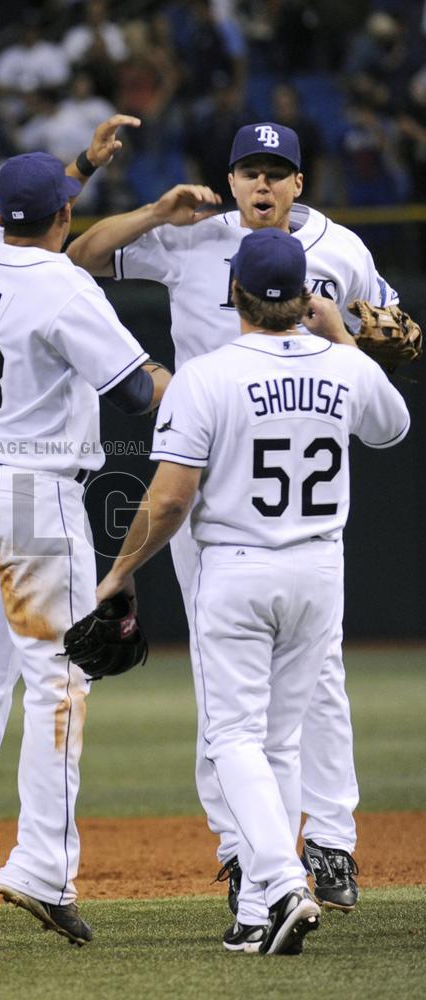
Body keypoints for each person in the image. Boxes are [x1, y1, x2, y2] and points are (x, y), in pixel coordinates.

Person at [67, 120, 402, 914]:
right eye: (248, 170)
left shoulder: (342, 248)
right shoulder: (193, 235)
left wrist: (389, 338)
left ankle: (323, 843)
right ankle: (246, 850)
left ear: (297, 183)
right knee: (243, 691)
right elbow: (79, 256)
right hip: (221, 484)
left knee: (302, 684)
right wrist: (154, 212)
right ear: (230, 179)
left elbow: (394, 332)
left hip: (250, 486)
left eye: (275, 171)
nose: (260, 183)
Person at [0, 117, 172, 946]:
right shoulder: (67, 290)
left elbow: (20, 217)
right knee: (62, 683)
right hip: (35, 496)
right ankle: (40, 866)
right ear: (61, 217)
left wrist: (79, 168)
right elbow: (139, 391)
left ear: (2, 212)